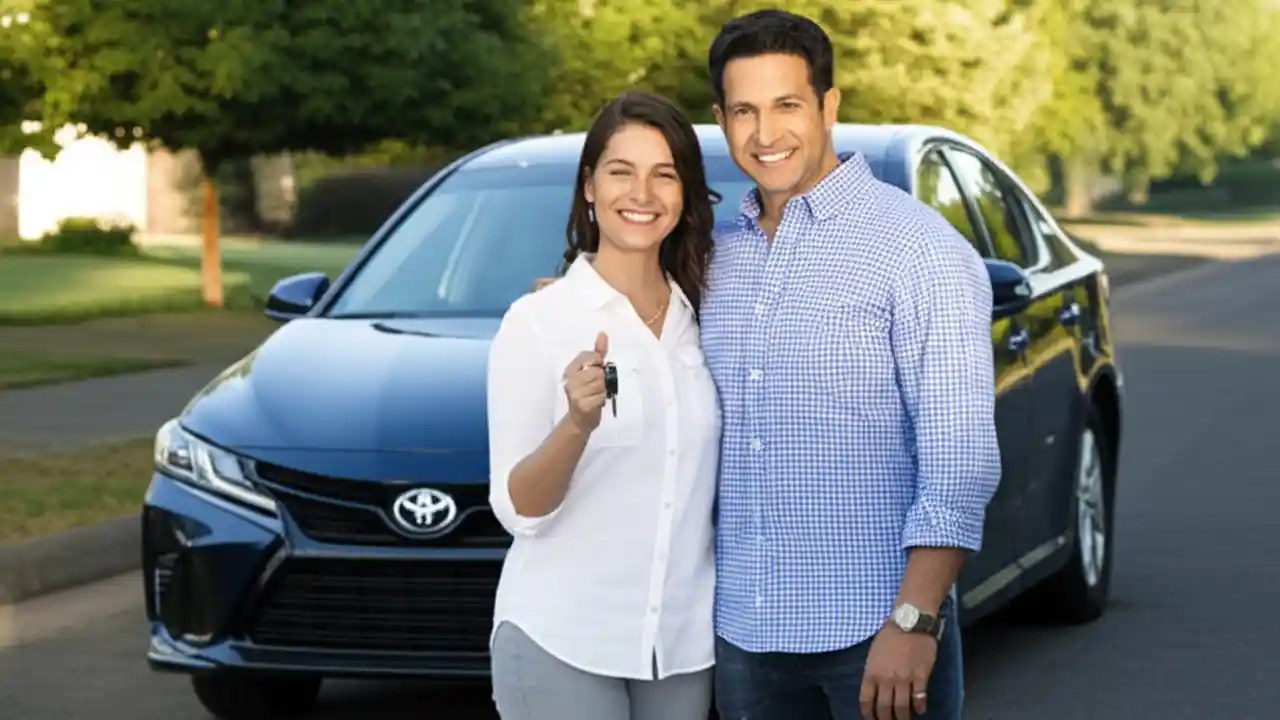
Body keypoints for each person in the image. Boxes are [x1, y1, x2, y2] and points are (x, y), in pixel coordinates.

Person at [699, 10, 1001, 720]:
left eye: (786, 105)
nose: (765, 134)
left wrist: (916, 621)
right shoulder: (716, 256)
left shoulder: (918, 249)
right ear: (720, 118)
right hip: (744, 635)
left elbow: (959, 461)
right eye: (744, 110)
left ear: (829, 106)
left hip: (875, 637)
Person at [484, 90, 722, 720]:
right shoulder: (538, 323)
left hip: (678, 652)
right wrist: (577, 424)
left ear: (685, 194)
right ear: (589, 186)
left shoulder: (710, 318)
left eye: (663, 174)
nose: (641, 193)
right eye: (621, 171)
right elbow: (519, 508)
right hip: (562, 639)